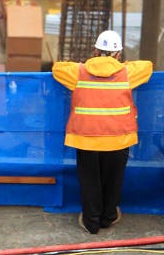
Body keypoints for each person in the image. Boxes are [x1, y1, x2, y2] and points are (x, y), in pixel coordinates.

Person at [52, 30, 152, 234]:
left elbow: (57, 69)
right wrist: (122, 65)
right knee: (113, 180)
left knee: (90, 181)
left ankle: (91, 222)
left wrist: (82, 64)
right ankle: (108, 217)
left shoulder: (77, 72)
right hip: (118, 138)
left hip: (86, 138)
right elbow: (148, 66)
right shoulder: (128, 73)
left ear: (95, 50)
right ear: (118, 54)